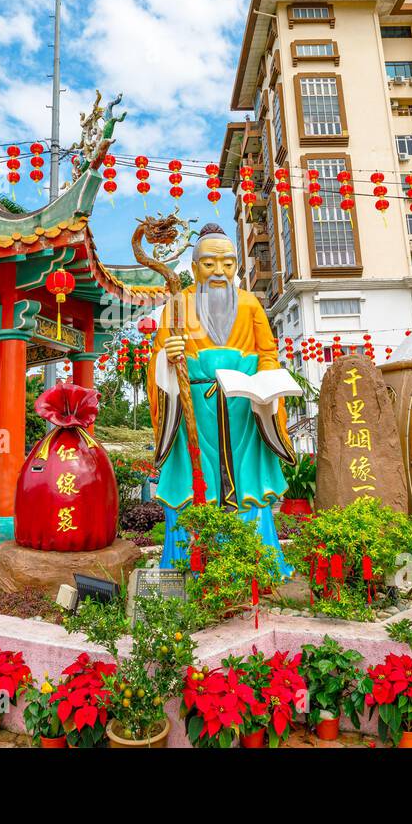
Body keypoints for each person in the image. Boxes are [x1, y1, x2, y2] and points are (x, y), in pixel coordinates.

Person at [146, 223, 296, 575]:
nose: (219, 272)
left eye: (227, 264)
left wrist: (266, 385)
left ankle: (256, 561)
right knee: (196, 482)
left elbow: (268, 352)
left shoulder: (249, 304)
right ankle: (189, 562)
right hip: (194, 410)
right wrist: (168, 354)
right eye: (210, 263)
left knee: (245, 482)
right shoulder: (178, 304)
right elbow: (159, 355)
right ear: (195, 267)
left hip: (244, 409)